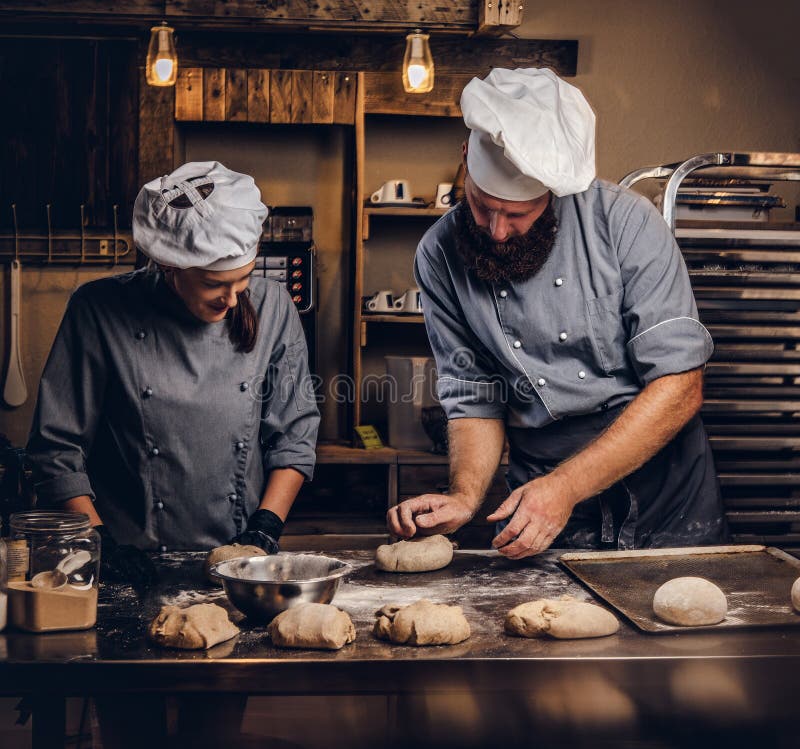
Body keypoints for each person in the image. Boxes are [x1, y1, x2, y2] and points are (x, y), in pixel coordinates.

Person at [388, 68, 726, 558]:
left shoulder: (626, 223)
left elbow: (679, 388)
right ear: (465, 162)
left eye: (518, 215)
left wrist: (566, 487)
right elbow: (475, 396)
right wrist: (464, 496)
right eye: (483, 208)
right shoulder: (438, 254)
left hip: (664, 493)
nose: (498, 232)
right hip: (540, 497)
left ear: (552, 193)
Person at [27, 161, 320, 585]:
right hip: (127, 558)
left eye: (243, 280)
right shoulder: (98, 310)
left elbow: (294, 435)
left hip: (240, 561)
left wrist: (265, 529)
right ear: (170, 268)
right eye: (215, 285)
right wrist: (97, 542)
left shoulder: (273, 306)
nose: (234, 300)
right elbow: (56, 448)